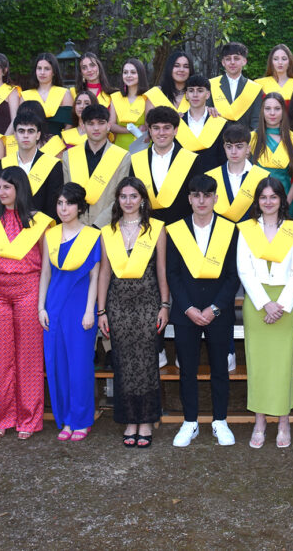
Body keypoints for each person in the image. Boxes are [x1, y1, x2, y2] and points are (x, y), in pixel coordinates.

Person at [0, 167, 53, 440]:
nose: (1, 192)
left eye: (7, 187)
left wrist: (42, 301)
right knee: (0, 357)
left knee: (28, 357)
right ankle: (2, 417)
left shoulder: (38, 221)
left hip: (28, 289)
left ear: (19, 188)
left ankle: (28, 419)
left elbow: (46, 264)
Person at [165, 175, 240, 448]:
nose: (201, 200)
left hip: (218, 312)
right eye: (196, 195)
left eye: (207, 195)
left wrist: (215, 308)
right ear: (189, 198)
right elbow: (172, 273)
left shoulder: (230, 229)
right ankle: (190, 422)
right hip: (187, 313)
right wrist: (186, 308)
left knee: (220, 369)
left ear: (215, 198)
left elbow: (234, 275)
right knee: (187, 370)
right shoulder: (177, 230)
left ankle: (220, 420)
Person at [97, 177, 169, 448]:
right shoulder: (109, 231)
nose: (128, 201)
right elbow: (104, 272)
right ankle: (129, 420)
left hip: (148, 303)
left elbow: (161, 270)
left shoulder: (156, 230)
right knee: (124, 364)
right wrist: (101, 310)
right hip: (117, 305)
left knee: (147, 363)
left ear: (142, 199)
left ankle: (147, 421)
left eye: (133, 196)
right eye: (123, 196)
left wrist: (164, 305)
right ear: (118, 200)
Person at [236, 177, 293, 449]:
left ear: (281, 200)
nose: (268, 201)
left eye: (273, 197)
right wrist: (266, 303)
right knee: (259, 364)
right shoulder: (247, 230)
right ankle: (260, 421)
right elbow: (244, 270)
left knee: (283, 365)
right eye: (263, 197)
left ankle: (284, 421)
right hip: (257, 303)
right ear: (257, 201)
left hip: (286, 304)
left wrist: (281, 305)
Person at [38, 182, 102, 442]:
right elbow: (45, 272)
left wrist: (91, 311)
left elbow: (95, 276)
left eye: (69, 203)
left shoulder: (92, 236)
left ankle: (82, 420)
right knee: (56, 365)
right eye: (60, 203)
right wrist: (41, 306)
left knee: (79, 365)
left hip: (80, 308)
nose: (64, 208)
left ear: (80, 206)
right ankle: (65, 419)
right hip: (53, 306)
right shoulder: (50, 235)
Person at [63, 103, 131, 228]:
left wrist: (98, 225)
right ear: (83, 126)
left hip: (109, 226)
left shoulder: (122, 156)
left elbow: (121, 196)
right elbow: (67, 195)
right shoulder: (69, 155)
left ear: (109, 125)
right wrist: (77, 224)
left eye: (101, 123)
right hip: (76, 226)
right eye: (90, 123)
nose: (96, 128)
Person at [130, 106, 200, 224]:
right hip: (146, 227)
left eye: (166, 128)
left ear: (175, 130)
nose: (161, 133)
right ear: (150, 131)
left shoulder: (191, 159)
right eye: (156, 128)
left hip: (181, 228)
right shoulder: (137, 160)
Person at [0, 111, 63, 214]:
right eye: (21, 131)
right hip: (7, 225)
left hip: (40, 226)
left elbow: (53, 205)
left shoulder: (53, 165)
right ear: (15, 135)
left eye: (30, 131)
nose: (26, 136)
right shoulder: (3, 164)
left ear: (38, 135)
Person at [206, 121, 269, 222]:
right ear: (224, 148)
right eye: (229, 146)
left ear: (248, 149)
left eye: (239, 147)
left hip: (250, 234)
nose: (233, 152)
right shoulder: (211, 176)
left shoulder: (262, 177)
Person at [251, 92, 293, 208]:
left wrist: (286, 203)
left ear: (283, 111)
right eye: (268, 109)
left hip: (286, 200)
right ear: (262, 112)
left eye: (277, 109)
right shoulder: (252, 138)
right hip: (257, 202)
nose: (272, 113)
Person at [176, 74, 227, 172]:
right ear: (186, 94)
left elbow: (223, 157)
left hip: (211, 178)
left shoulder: (218, 123)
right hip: (182, 178)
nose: (195, 95)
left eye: (200, 91)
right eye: (191, 90)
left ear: (207, 95)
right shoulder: (178, 122)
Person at [209, 41, 264, 128]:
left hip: (245, 139)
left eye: (236, 58)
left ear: (244, 61)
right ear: (223, 62)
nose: (232, 62)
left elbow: (256, 121)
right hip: (218, 139)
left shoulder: (254, 88)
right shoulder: (211, 85)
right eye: (228, 59)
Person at [22, 52, 74, 136]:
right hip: (32, 144)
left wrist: (60, 144)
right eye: (39, 68)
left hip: (58, 145)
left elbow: (69, 124)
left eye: (47, 69)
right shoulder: (25, 96)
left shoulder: (64, 94)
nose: (42, 72)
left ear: (53, 72)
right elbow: (21, 124)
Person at [109, 58, 151, 150]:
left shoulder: (148, 97)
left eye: (133, 72)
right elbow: (111, 125)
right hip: (119, 148)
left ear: (140, 75)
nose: (128, 75)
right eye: (125, 72)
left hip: (141, 147)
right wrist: (131, 129)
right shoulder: (115, 97)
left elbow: (150, 126)